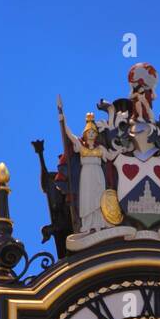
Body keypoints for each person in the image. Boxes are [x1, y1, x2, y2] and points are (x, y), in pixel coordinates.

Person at [58, 100, 116, 234]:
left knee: (98, 197)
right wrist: (63, 119)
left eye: (93, 132)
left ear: (95, 135)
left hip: (98, 175)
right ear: (85, 134)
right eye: (89, 132)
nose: (91, 134)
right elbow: (69, 135)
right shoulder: (81, 147)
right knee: (87, 198)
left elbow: (111, 157)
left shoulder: (100, 148)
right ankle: (88, 224)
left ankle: (100, 223)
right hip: (86, 174)